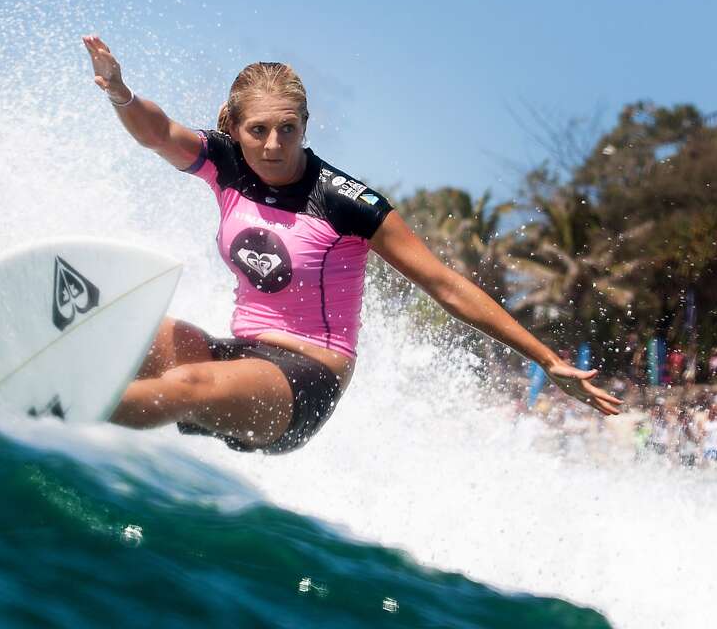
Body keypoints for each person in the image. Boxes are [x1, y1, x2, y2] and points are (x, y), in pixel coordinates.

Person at [82, 36, 622, 454]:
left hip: (304, 382)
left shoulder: (345, 201)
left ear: (305, 126)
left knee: (186, 383)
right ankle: (60, 379)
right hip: (240, 356)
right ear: (235, 127)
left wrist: (548, 361)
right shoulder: (225, 164)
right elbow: (157, 133)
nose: (273, 145)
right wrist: (119, 92)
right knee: (131, 329)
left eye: (288, 129)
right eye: (259, 130)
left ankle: (61, 412)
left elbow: (446, 287)